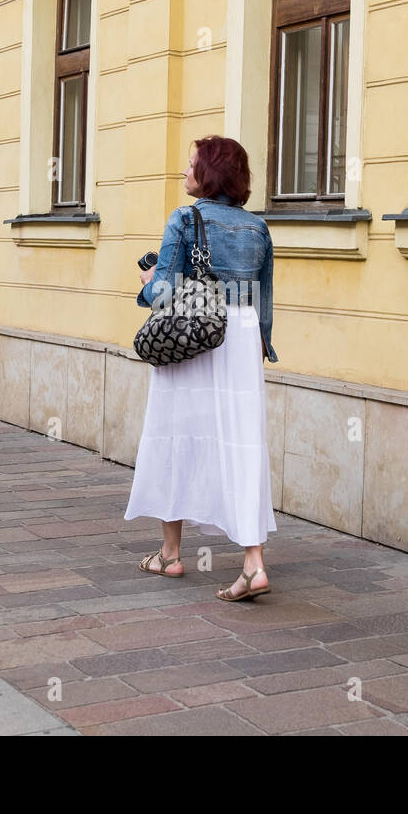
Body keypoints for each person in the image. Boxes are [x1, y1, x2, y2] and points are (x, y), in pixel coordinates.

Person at [124, 136, 278, 601]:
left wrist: (148, 285)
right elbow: (264, 301)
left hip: (193, 332)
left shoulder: (184, 219)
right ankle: (253, 563)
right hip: (241, 336)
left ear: (209, 173)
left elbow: (167, 292)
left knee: (177, 435)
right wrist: (262, 346)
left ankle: (171, 553)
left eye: (192, 165)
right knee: (241, 441)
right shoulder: (258, 228)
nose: (185, 173)